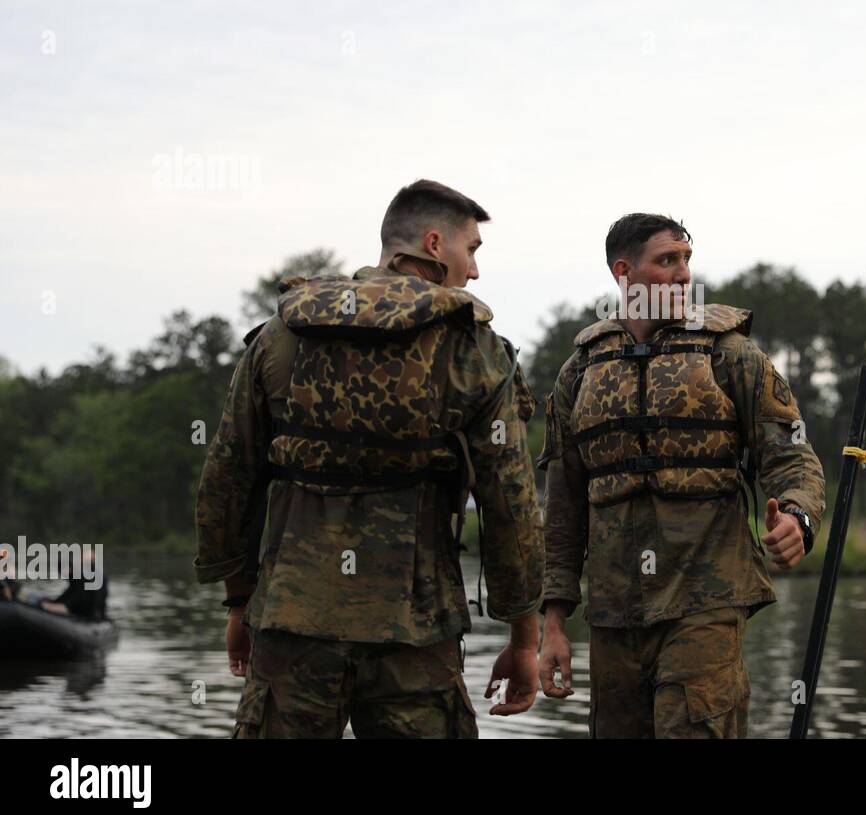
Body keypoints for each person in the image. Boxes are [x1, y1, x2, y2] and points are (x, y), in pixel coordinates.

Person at [193, 179, 543, 738]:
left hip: (290, 623)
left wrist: (239, 601)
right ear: (434, 244)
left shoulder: (282, 336)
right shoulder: (473, 348)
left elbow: (228, 477)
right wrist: (525, 638)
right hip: (416, 636)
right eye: (471, 250)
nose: (474, 271)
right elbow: (512, 505)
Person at [536, 213, 826, 738]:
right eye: (667, 261)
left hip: (705, 602)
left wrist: (799, 516)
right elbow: (562, 507)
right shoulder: (579, 371)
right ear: (624, 273)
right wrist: (553, 622)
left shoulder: (730, 353)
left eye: (687, 259)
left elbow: (792, 454)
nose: (683, 274)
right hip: (612, 616)